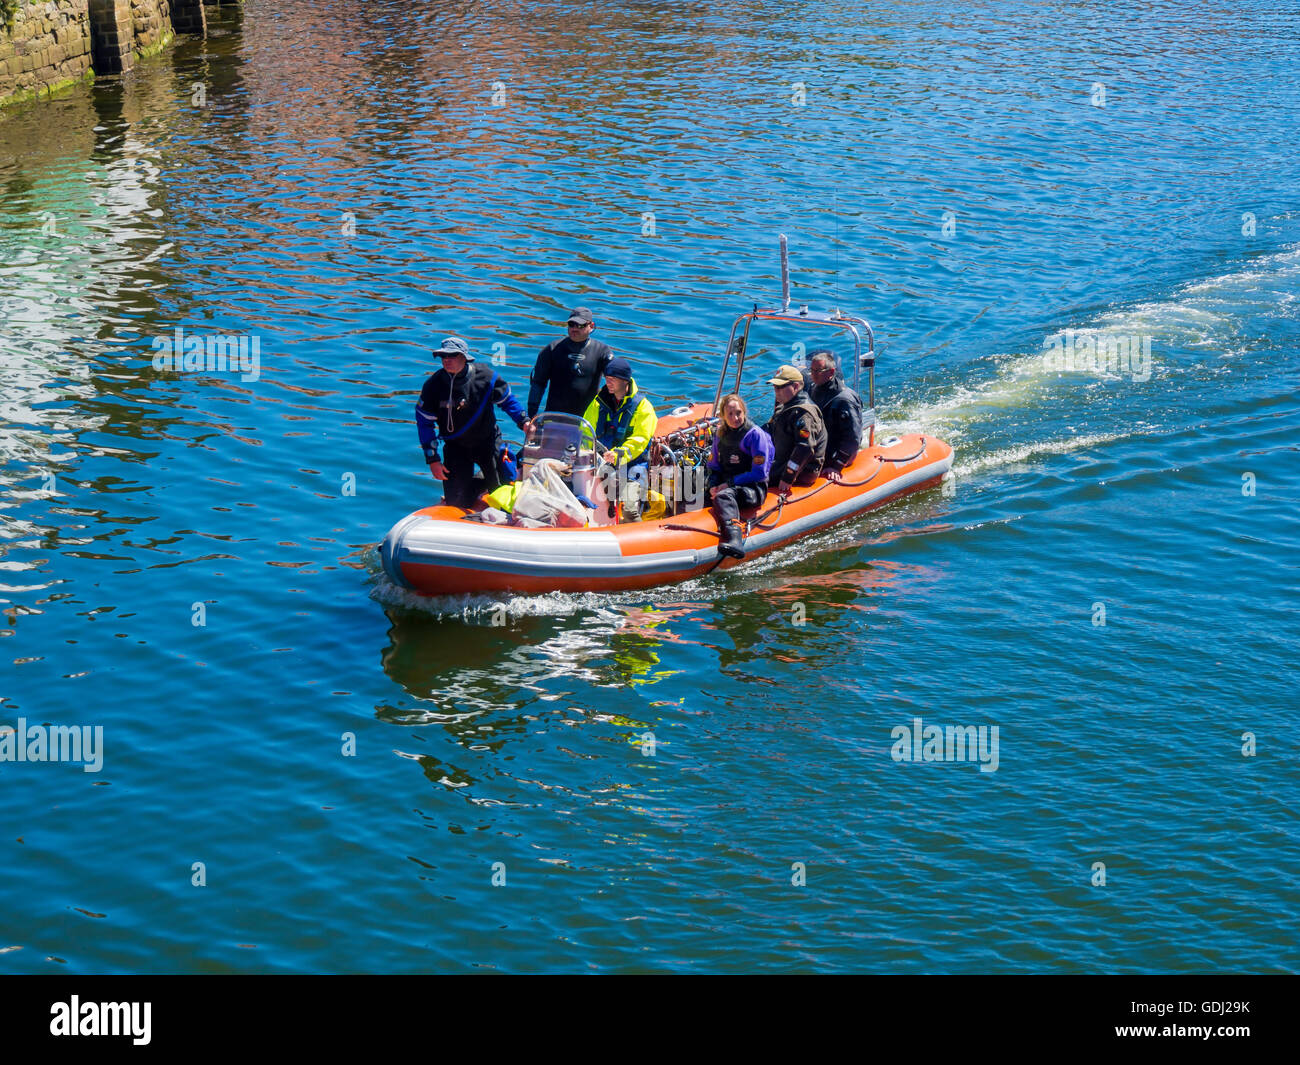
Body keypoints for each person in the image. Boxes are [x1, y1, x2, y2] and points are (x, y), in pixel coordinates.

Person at [415, 336, 529, 508]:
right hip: (456, 447)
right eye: (443, 357)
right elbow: (424, 424)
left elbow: (508, 402)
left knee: (501, 498)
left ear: (464, 357)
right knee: (457, 502)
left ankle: (486, 479)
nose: (447, 360)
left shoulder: (487, 378)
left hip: (487, 442)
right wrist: (433, 460)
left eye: (452, 356)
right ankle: (475, 486)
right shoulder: (433, 386)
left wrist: (524, 422)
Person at [582, 357, 657, 520]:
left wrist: (617, 455)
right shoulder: (598, 402)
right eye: (607, 379)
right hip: (603, 463)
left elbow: (640, 439)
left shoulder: (644, 408)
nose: (608, 383)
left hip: (633, 467)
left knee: (629, 509)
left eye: (613, 379)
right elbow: (585, 430)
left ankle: (638, 538)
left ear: (625, 381)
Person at [707, 393, 773, 560]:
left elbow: (759, 472)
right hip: (728, 483)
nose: (735, 418)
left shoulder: (754, 434)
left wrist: (728, 484)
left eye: (738, 413)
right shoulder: (719, 435)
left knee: (724, 496)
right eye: (730, 414)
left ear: (744, 412)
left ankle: (735, 539)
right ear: (723, 416)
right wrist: (712, 485)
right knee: (695, 482)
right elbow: (714, 465)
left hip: (753, 487)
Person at [526, 307, 613, 424]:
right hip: (553, 419)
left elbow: (615, 382)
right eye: (571, 324)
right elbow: (538, 384)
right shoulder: (552, 349)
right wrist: (531, 417)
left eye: (580, 325)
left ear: (591, 326)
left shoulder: (602, 352)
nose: (574, 329)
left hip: (586, 424)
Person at [763, 364, 827, 495]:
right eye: (774, 387)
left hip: (803, 469)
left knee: (754, 477)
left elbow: (804, 448)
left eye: (780, 387)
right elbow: (770, 428)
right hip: (782, 458)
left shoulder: (804, 415)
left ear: (796, 386)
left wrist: (788, 476)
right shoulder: (785, 406)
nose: (776, 391)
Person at [808, 350, 863, 481]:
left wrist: (837, 465)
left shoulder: (844, 400)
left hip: (835, 454)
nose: (813, 375)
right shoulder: (814, 389)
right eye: (812, 370)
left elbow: (853, 437)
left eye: (818, 371)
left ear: (831, 372)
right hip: (822, 447)